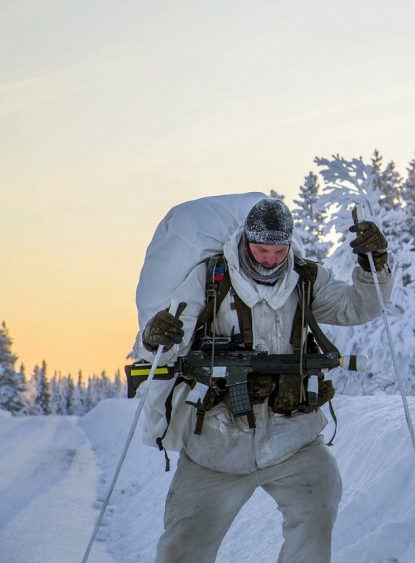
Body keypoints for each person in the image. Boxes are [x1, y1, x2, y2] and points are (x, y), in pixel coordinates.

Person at [133, 197, 393, 563]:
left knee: (320, 500)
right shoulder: (209, 279)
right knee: (183, 547)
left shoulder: (306, 279)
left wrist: (375, 263)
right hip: (216, 445)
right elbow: (163, 348)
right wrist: (155, 337)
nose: (270, 259)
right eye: (261, 249)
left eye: (278, 250)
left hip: (293, 439)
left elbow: (360, 306)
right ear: (245, 241)